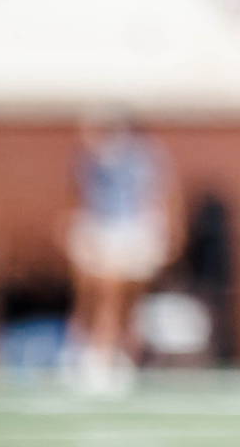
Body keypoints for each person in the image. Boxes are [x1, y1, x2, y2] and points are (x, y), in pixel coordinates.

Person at [64, 116, 177, 391]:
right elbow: (80, 201)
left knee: (122, 296)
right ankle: (90, 352)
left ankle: (116, 355)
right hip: (103, 232)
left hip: (132, 233)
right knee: (98, 292)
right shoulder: (89, 160)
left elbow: (158, 200)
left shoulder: (145, 157)